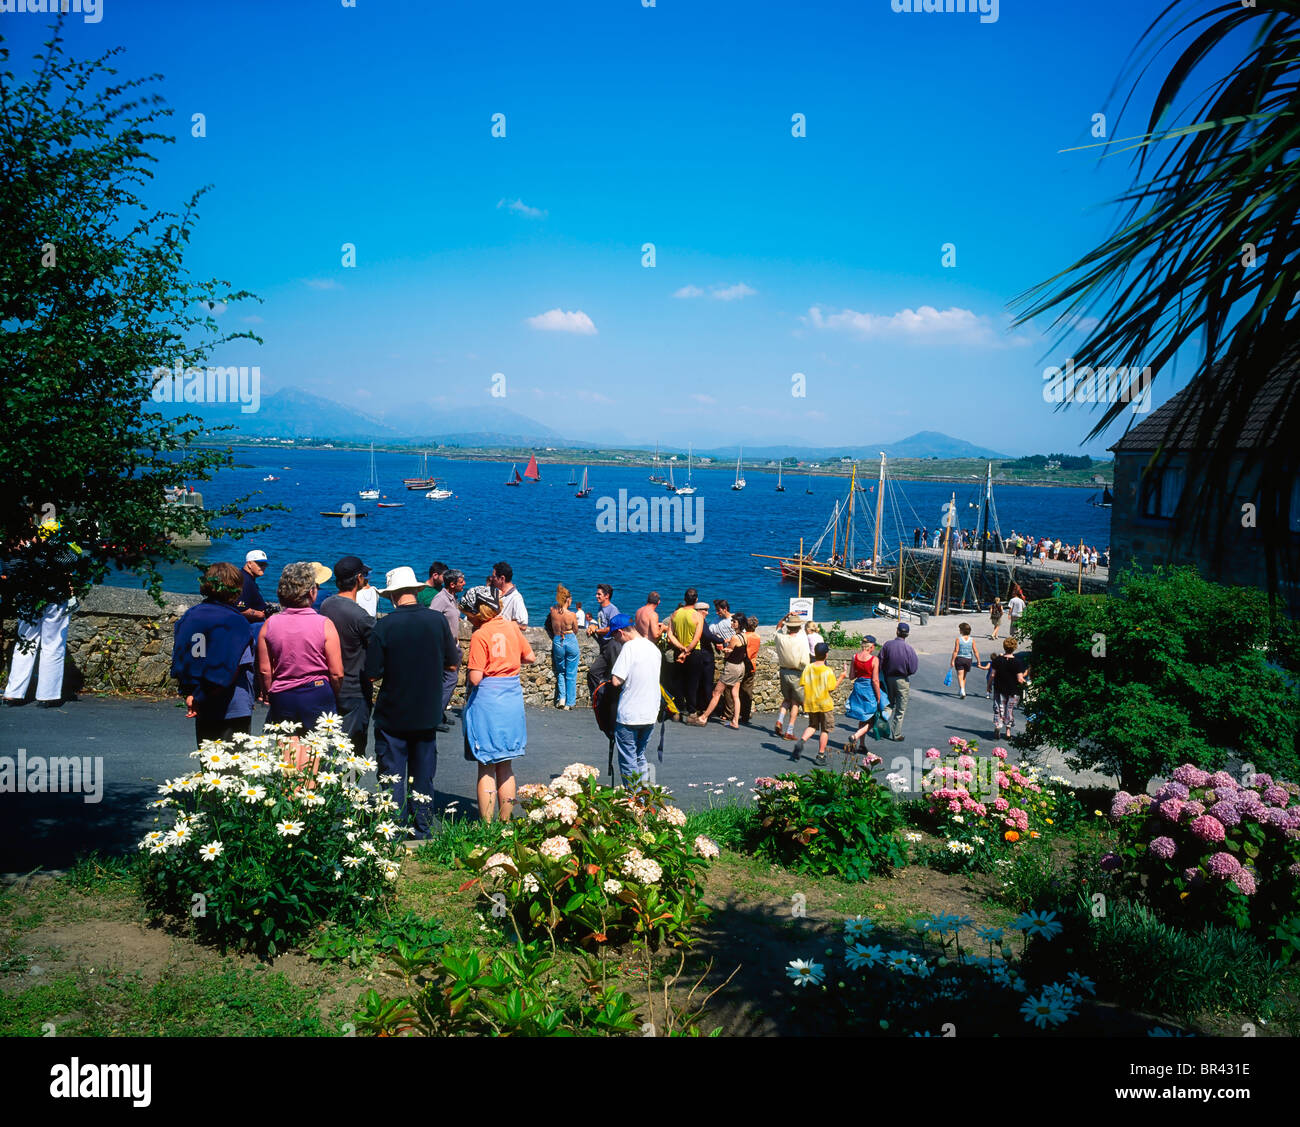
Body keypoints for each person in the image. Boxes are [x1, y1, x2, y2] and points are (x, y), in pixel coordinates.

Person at [364, 566, 460, 843]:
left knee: (392, 774)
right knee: (423, 775)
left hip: (393, 711)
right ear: (417, 592)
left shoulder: (385, 625)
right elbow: (452, 662)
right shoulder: (436, 621)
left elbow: (372, 673)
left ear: (392, 596)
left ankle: (392, 830)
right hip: (427, 711)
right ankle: (422, 828)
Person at [460, 585, 536, 821]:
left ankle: (487, 826)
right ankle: (505, 822)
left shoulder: (480, 635)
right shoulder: (513, 628)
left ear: (478, 611)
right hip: (511, 698)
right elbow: (530, 657)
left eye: (469, 612)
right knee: (506, 764)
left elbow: (475, 677)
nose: (467, 616)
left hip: (488, 701)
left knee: (486, 765)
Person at [170, 562, 254, 746]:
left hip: (200, 702)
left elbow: (184, 658)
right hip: (231, 705)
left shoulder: (190, 616)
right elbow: (230, 668)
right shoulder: (236, 622)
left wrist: (191, 693)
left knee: (209, 766)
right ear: (237, 589)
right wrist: (201, 695)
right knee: (234, 768)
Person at [257, 562, 343, 733]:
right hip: (317, 691)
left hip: (283, 693)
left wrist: (268, 693)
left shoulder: (269, 624)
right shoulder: (324, 624)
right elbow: (337, 673)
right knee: (317, 749)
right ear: (312, 592)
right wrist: (334, 694)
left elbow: (265, 670)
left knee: (285, 749)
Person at [3, 517, 77, 708]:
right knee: (53, 645)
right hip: (54, 597)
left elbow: (11, 571)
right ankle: (48, 695)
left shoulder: (20, 547)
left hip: (28, 597)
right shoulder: (58, 549)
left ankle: (14, 693)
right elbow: (74, 561)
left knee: (25, 641)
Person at [319, 556, 375, 758]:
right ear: (359, 578)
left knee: (328, 745)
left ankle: (327, 785)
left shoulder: (326, 605)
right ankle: (348, 788)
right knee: (353, 750)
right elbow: (377, 647)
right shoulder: (361, 616)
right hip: (355, 689)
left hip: (330, 685)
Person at [609, 613, 662, 787]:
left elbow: (616, 680)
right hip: (650, 712)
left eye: (615, 636)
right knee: (640, 756)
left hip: (630, 713)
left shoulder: (629, 648)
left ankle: (634, 801)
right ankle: (647, 798)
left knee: (628, 759)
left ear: (621, 632)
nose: (615, 641)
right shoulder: (654, 648)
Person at [691, 612, 747, 729]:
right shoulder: (744, 636)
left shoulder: (734, 637)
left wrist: (723, 648)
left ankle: (703, 717)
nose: (732, 623)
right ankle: (735, 721)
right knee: (735, 694)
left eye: (734, 621)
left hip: (731, 667)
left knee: (716, 693)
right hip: (741, 666)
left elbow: (727, 654)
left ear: (739, 624)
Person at [431, 569, 466, 730]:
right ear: (452, 584)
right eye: (461, 581)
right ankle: (435, 716)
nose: (464, 584)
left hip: (453, 646)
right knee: (450, 679)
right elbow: (431, 619)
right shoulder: (440, 599)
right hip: (444, 647)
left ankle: (439, 713)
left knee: (445, 681)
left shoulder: (452, 598)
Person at [665, 588, 707, 718]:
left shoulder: (675, 614)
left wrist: (680, 647)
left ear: (684, 599)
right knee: (693, 682)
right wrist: (688, 649)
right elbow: (697, 636)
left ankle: (678, 709)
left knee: (679, 681)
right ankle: (692, 711)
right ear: (696, 600)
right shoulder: (697, 616)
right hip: (694, 652)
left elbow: (670, 633)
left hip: (679, 650)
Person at [793, 642, 838, 764]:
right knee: (825, 729)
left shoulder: (808, 668)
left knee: (812, 726)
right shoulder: (827, 671)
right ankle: (821, 755)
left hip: (811, 702)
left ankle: (802, 741)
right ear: (826, 655)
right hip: (824, 704)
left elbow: (802, 683)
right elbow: (831, 688)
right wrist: (842, 676)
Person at [842, 634, 888, 752]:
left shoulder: (855, 657)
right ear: (871, 647)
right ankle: (855, 736)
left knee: (863, 718)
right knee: (872, 720)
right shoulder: (874, 660)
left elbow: (852, 676)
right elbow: (875, 680)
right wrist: (878, 697)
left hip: (858, 689)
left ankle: (862, 745)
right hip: (869, 690)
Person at [879, 622, 919, 742]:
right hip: (902, 679)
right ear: (907, 634)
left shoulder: (887, 645)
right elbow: (913, 668)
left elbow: (880, 662)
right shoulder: (909, 649)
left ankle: (881, 727)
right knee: (900, 709)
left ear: (897, 631)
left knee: (889, 704)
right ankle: (896, 734)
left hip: (888, 678)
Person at [774, 613, 809, 739]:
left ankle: (780, 720)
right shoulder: (801, 638)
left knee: (786, 698)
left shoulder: (781, 638)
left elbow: (778, 627)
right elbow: (805, 660)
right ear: (799, 627)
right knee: (796, 702)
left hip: (783, 671)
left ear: (788, 627)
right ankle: (789, 730)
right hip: (797, 673)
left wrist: (785, 616)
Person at [547, 584, 580, 709]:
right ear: (568, 599)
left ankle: (561, 698)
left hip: (557, 640)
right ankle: (569, 703)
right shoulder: (571, 615)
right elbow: (576, 630)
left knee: (561, 671)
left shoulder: (552, 610)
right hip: (570, 639)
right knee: (571, 673)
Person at [990, 637, 1028, 740]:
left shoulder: (997, 660)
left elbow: (992, 675)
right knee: (1009, 709)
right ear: (1014, 648)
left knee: (998, 707)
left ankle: (998, 725)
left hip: (999, 688)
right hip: (1012, 690)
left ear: (1004, 646)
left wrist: (989, 686)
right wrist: (1028, 683)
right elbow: (1020, 679)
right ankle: (1008, 732)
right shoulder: (1017, 662)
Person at [237, 549, 269, 624]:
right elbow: (240, 608)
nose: (263, 567)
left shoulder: (246, 577)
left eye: (265, 564)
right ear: (249, 564)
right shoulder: (245, 581)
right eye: (260, 564)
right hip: (249, 627)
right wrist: (261, 614)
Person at [738, 615, 760, 724]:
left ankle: (736, 712)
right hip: (752, 665)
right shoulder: (757, 637)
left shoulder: (743, 636)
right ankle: (745, 714)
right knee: (747, 691)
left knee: (736, 689)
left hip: (741, 664)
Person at [491, 560, 528, 626]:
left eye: (494, 577)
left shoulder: (516, 598)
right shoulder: (497, 593)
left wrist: (501, 624)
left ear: (502, 578)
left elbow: (523, 625)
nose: (491, 579)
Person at [949, 622, 980, 699]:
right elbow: (975, 651)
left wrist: (952, 660)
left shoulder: (958, 639)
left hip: (960, 658)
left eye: (960, 629)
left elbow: (956, 651)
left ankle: (962, 690)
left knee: (960, 675)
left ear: (962, 631)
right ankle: (962, 689)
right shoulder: (972, 640)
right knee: (964, 676)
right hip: (968, 659)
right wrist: (978, 661)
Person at [587, 583, 620, 649]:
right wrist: (593, 626)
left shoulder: (613, 610)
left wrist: (596, 630)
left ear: (607, 596)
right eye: (596, 594)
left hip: (612, 644)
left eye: (599, 594)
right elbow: (603, 624)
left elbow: (612, 628)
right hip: (603, 643)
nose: (596, 596)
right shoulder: (601, 608)